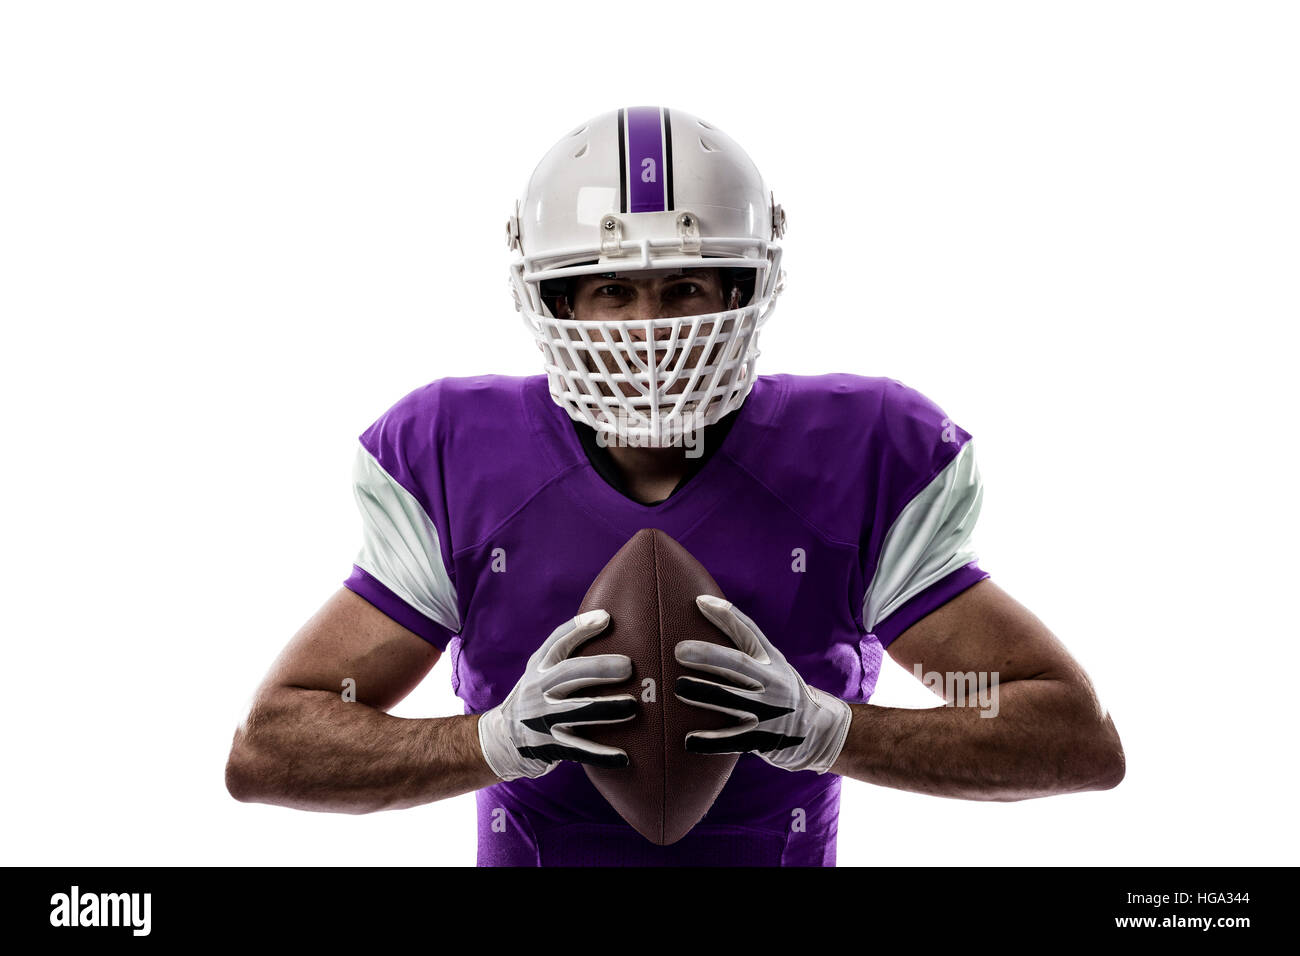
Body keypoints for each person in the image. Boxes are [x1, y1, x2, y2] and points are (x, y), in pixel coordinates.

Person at [225, 106, 1125, 866]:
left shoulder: (860, 452)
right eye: (612, 289)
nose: (649, 330)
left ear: (746, 287)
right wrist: (492, 742)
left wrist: (832, 729)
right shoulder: (458, 454)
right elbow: (273, 746)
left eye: (684, 286)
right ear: (555, 302)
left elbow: (1069, 734)